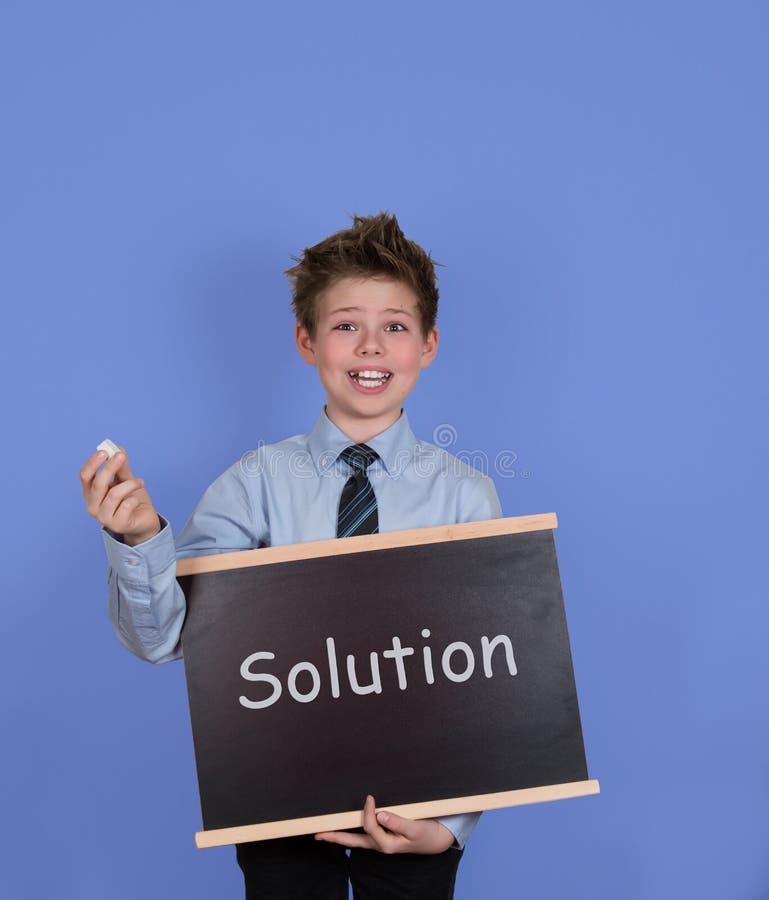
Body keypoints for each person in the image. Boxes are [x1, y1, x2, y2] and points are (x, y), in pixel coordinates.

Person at [79, 212, 502, 899]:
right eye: (345, 326)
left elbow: (488, 679)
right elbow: (166, 640)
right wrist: (139, 540)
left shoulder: (465, 494)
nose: (370, 347)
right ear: (307, 342)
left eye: (394, 326)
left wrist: (449, 826)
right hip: (278, 802)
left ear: (427, 345)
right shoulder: (253, 484)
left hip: (415, 808)